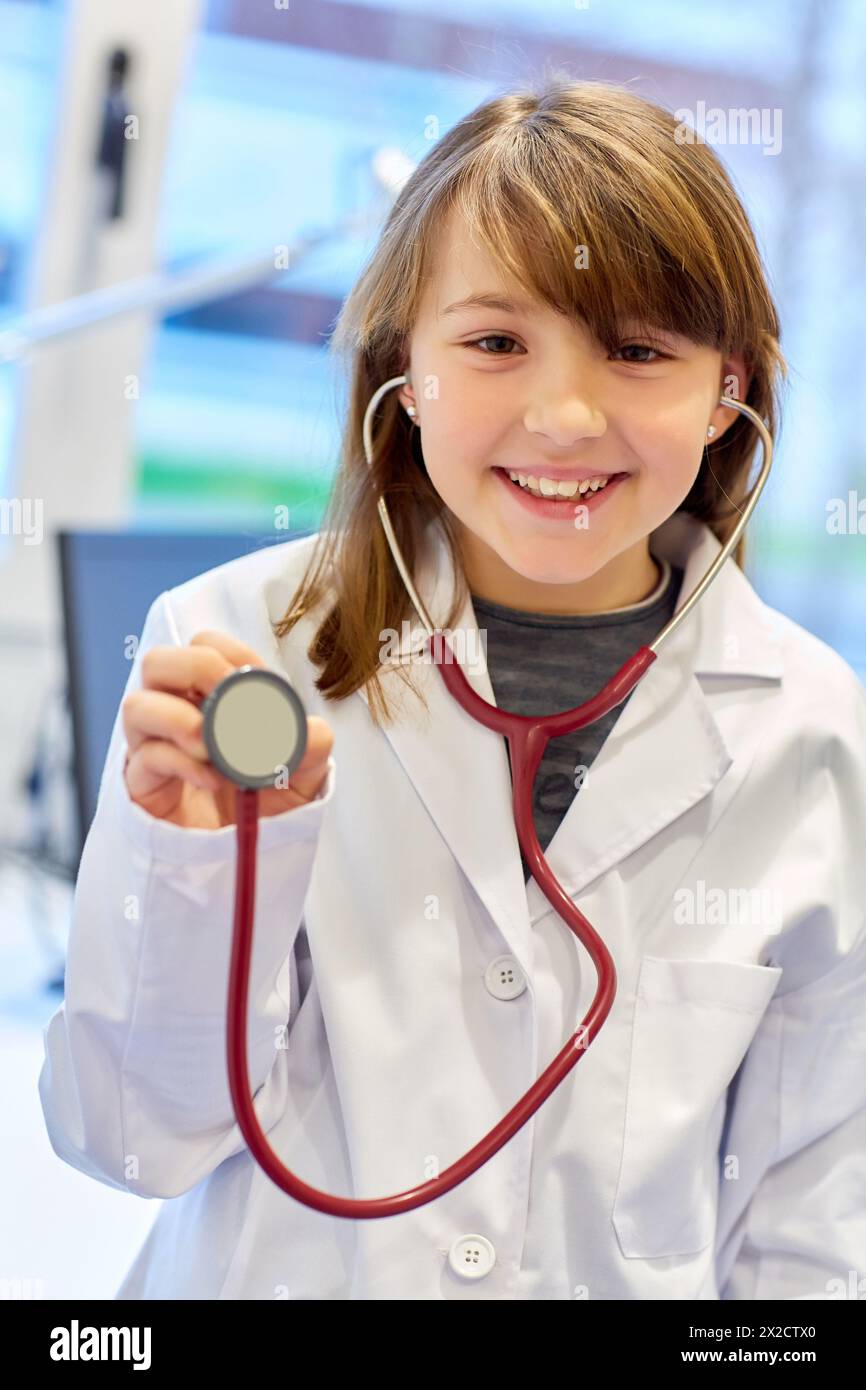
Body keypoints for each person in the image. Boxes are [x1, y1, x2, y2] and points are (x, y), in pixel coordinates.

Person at [39, 76, 866, 1300]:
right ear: (403, 369)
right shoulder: (231, 648)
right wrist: (197, 881)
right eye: (493, 343)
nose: (564, 414)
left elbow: (810, 1244)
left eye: (638, 350)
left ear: (725, 390)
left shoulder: (813, 733)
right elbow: (129, 1145)